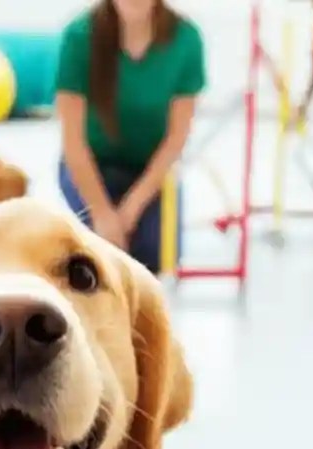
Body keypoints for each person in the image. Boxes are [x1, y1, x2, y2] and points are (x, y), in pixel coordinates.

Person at [55, 0, 206, 273]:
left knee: (155, 253)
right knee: (98, 254)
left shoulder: (186, 38)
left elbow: (176, 139)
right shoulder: (79, 37)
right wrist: (102, 213)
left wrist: (130, 209)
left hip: (151, 173)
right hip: (91, 167)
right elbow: (73, 142)